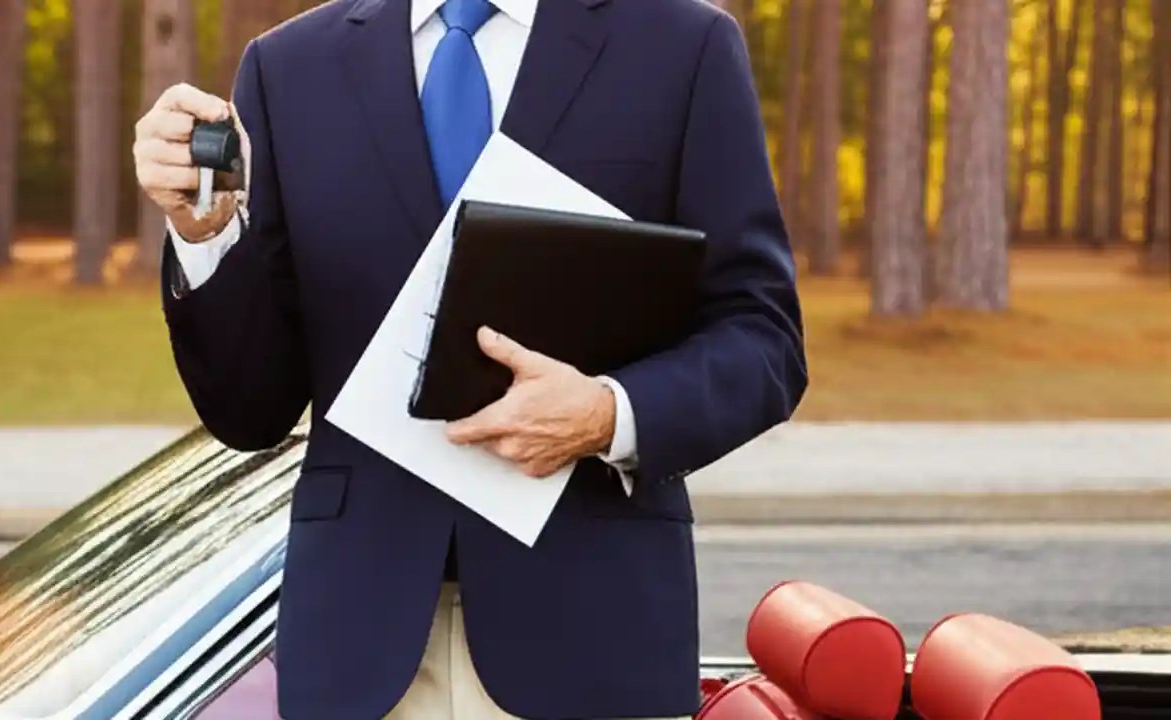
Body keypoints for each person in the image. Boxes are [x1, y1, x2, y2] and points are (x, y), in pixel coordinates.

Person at [133, 0, 807, 717]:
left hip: (591, 637)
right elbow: (249, 409)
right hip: (360, 653)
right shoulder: (289, 67)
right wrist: (202, 233)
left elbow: (762, 334)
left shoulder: (684, 45)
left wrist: (610, 413)